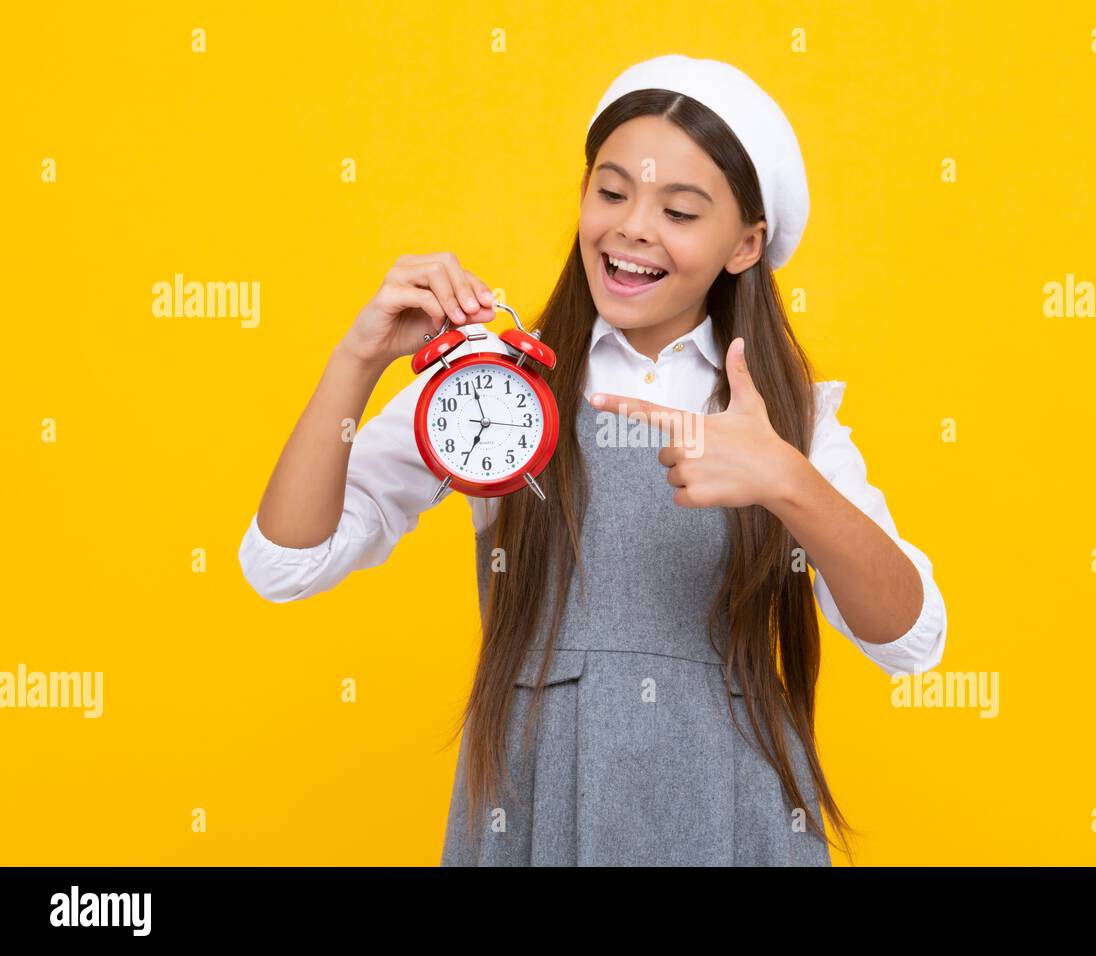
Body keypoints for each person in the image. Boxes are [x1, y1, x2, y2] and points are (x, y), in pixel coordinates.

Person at [239, 53, 947, 866]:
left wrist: (789, 481)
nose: (632, 227)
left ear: (746, 244)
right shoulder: (492, 384)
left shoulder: (785, 417)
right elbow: (284, 565)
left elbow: (910, 638)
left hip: (733, 816)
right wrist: (356, 360)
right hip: (535, 805)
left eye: (679, 211)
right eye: (611, 192)